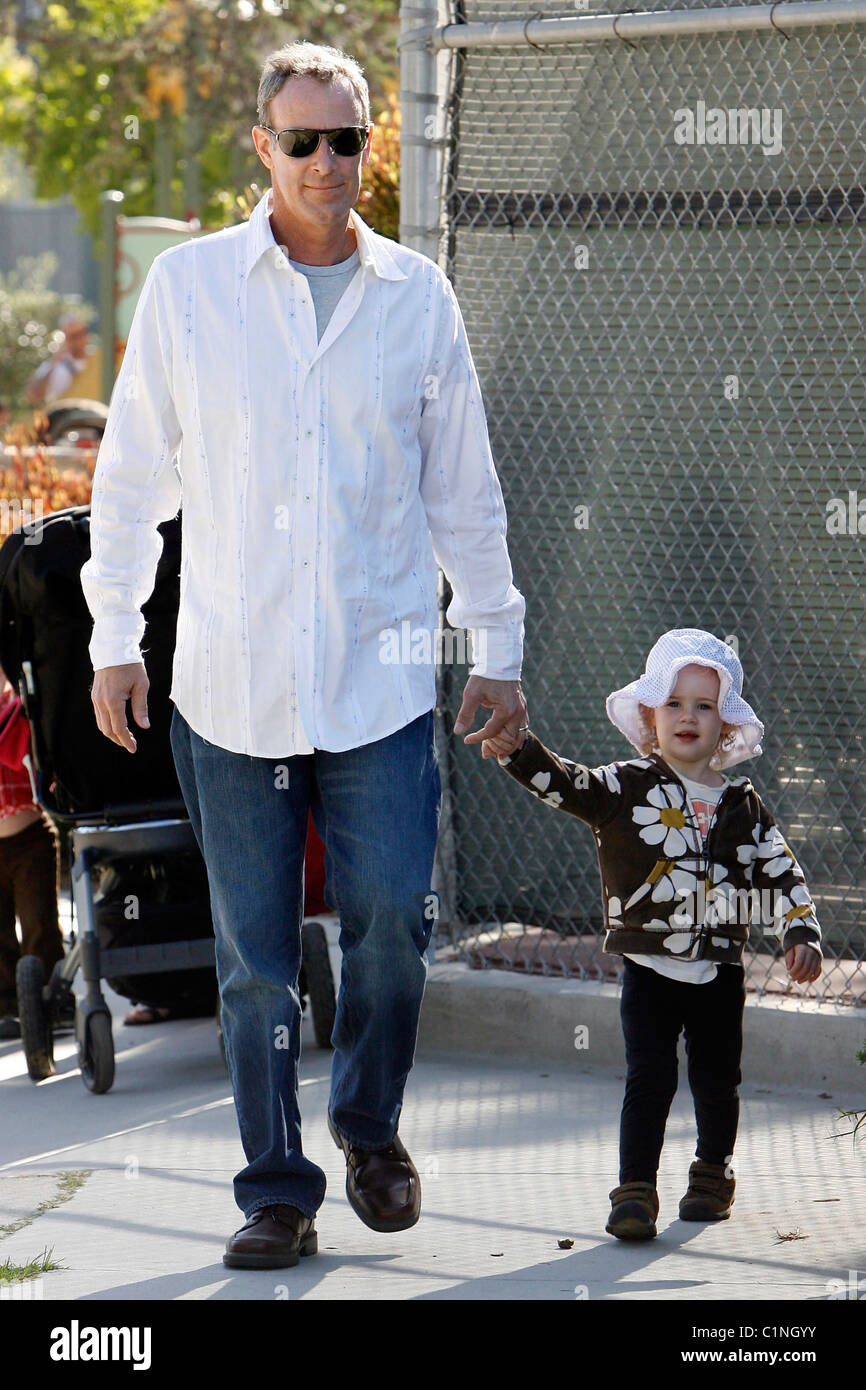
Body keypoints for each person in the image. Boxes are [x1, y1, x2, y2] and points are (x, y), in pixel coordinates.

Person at [80, 40, 527, 1270]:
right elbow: (128, 485)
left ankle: (368, 1126)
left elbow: (464, 495)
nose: (324, 162)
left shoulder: (417, 299)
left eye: (345, 139)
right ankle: (275, 1187)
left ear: (370, 146)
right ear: (261, 150)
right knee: (255, 962)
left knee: (390, 919)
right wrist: (113, 638)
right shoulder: (187, 289)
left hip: (379, 680)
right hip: (227, 686)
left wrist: (495, 646)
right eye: (300, 140)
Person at [482, 628, 822, 1241]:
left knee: (718, 1079)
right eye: (673, 703)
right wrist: (518, 750)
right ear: (649, 715)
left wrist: (801, 931)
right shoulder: (625, 787)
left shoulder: (743, 805)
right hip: (649, 968)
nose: (687, 716)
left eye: (704, 705)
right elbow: (568, 784)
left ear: (726, 725)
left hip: (718, 970)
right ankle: (635, 1190)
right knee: (650, 1076)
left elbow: (780, 868)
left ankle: (712, 1173)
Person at [0, 667, 65, 1040]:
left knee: (39, 922)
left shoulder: (19, 709)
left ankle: (54, 1001)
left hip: (29, 836)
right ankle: (8, 1005)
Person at [25, 315, 89, 407]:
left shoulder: (97, 363)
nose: (77, 340)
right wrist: (53, 364)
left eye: (80, 334)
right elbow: (33, 396)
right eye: (72, 336)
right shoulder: (54, 366)